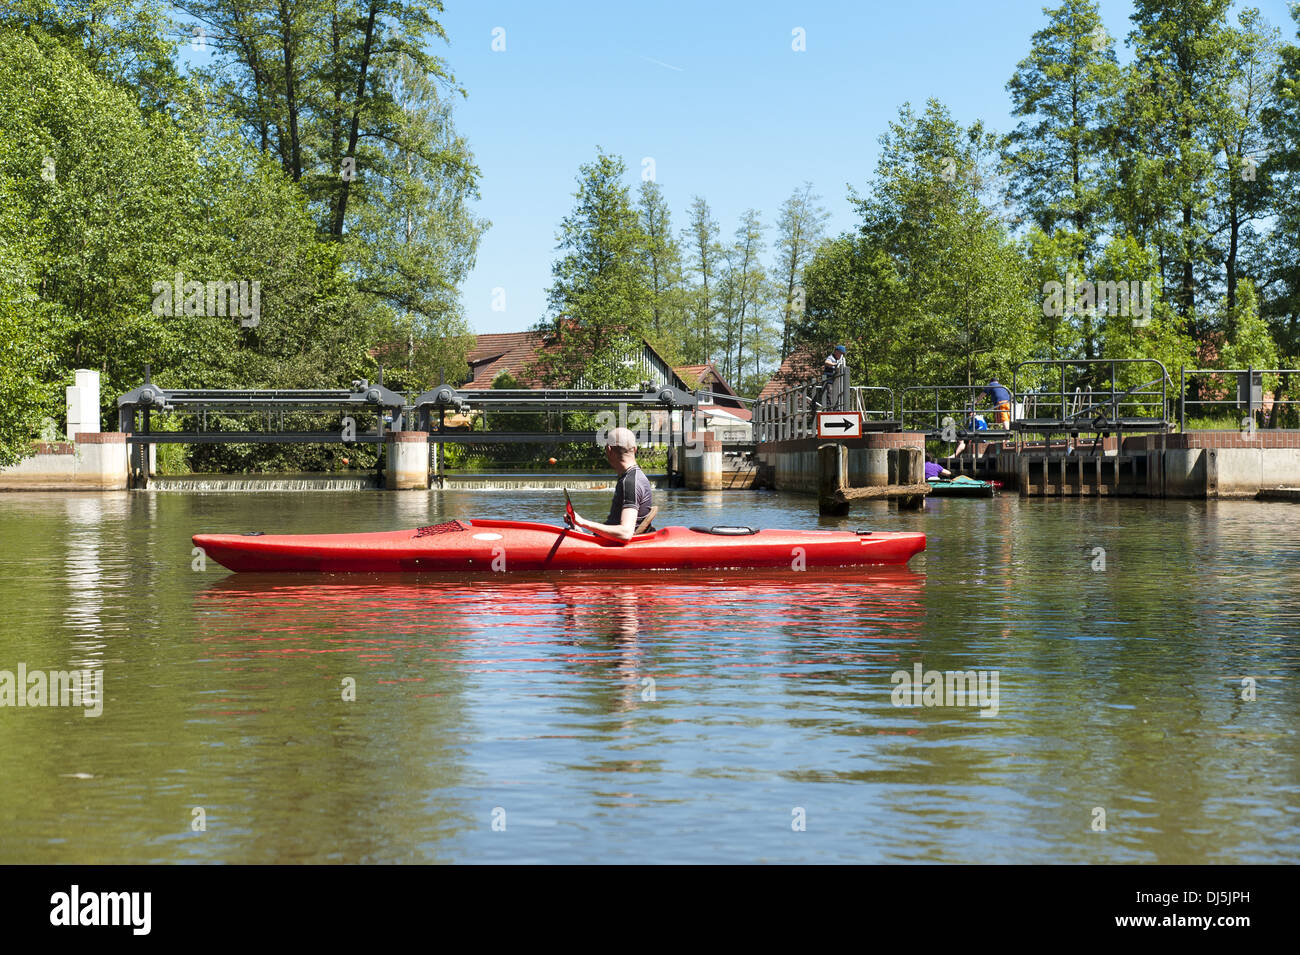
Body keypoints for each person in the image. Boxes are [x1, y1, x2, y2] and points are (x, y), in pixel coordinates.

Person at [570, 427, 654, 542]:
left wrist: (583, 522)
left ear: (609, 450)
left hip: (619, 550)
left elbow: (625, 533)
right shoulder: (633, 477)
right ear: (635, 449)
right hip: (607, 544)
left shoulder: (630, 482)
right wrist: (580, 531)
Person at [811, 344, 847, 410]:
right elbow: (826, 362)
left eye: (842, 354)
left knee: (837, 394)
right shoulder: (831, 357)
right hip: (829, 380)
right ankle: (829, 409)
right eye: (840, 353)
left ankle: (836, 408)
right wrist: (835, 364)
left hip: (836, 381)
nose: (841, 355)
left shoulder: (841, 359)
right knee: (829, 394)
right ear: (836, 352)